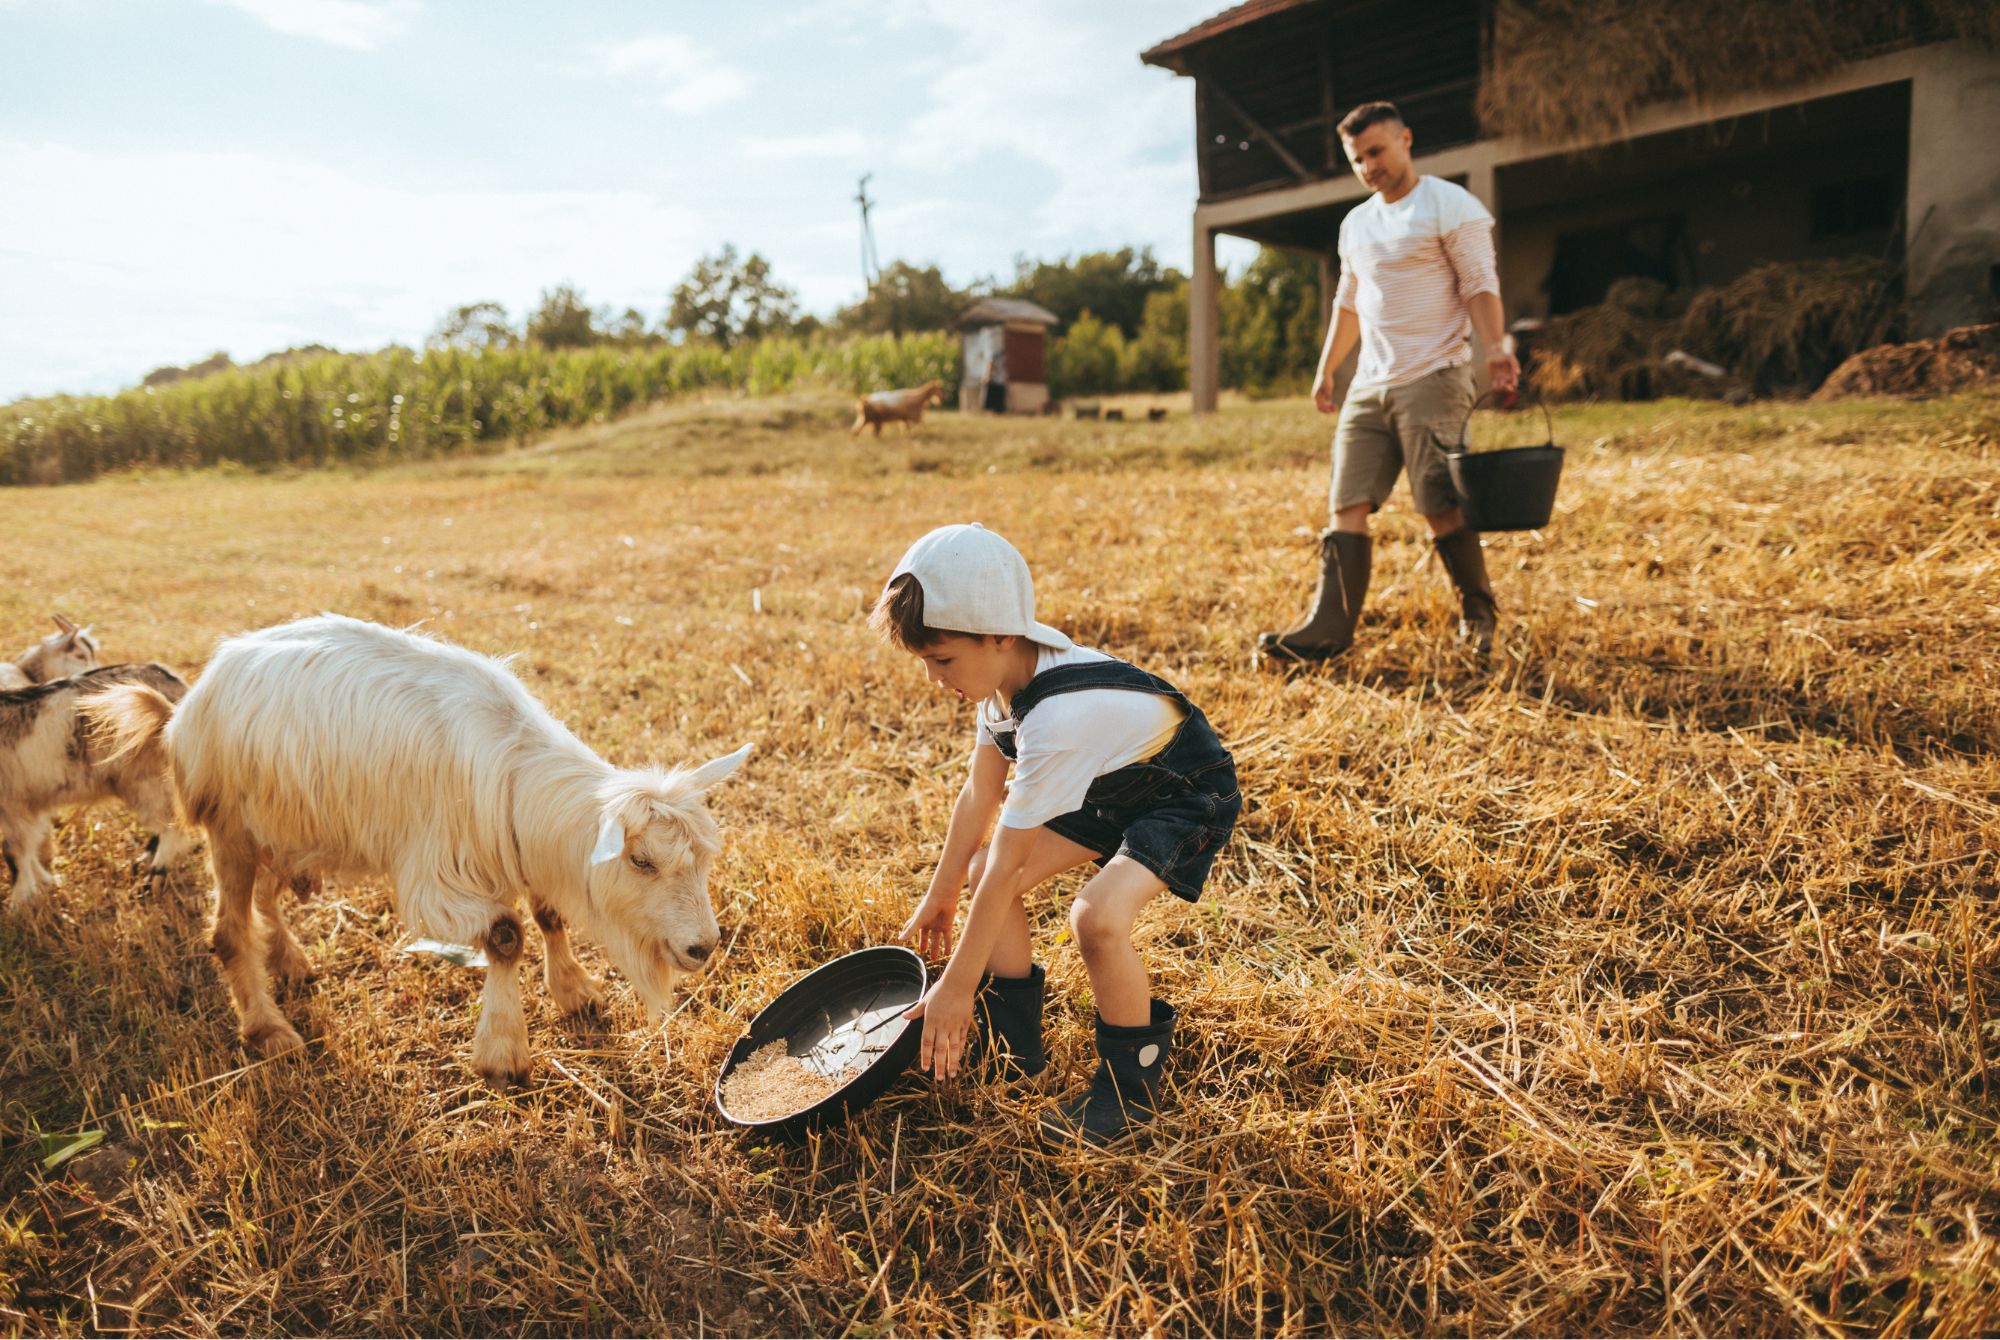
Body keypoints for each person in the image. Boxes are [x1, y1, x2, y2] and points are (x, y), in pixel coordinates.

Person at [870, 523, 1241, 1145]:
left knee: (1095, 917)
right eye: (926, 661)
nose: (935, 678)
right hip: (1106, 785)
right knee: (984, 863)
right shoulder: (999, 687)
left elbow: (1012, 866)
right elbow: (978, 794)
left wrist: (957, 986)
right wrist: (940, 894)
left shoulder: (1056, 720)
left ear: (1000, 635)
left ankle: (1131, 1092)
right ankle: (1016, 1049)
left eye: (941, 659)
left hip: (1181, 794)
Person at [1260, 100, 1521, 662]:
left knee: (1439, 505)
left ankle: (1479, 615)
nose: (1369, 166)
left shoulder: (1450, 205)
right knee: (1345, 502)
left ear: (1406, 140)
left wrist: (1496, 350)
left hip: (1435, 376)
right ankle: (1327, 631)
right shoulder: (1356, 223)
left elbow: (1480, 283)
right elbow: (1348, 302)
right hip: (1369, 386)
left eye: (1376, 151)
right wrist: (1328, 368)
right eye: (1358, 159)